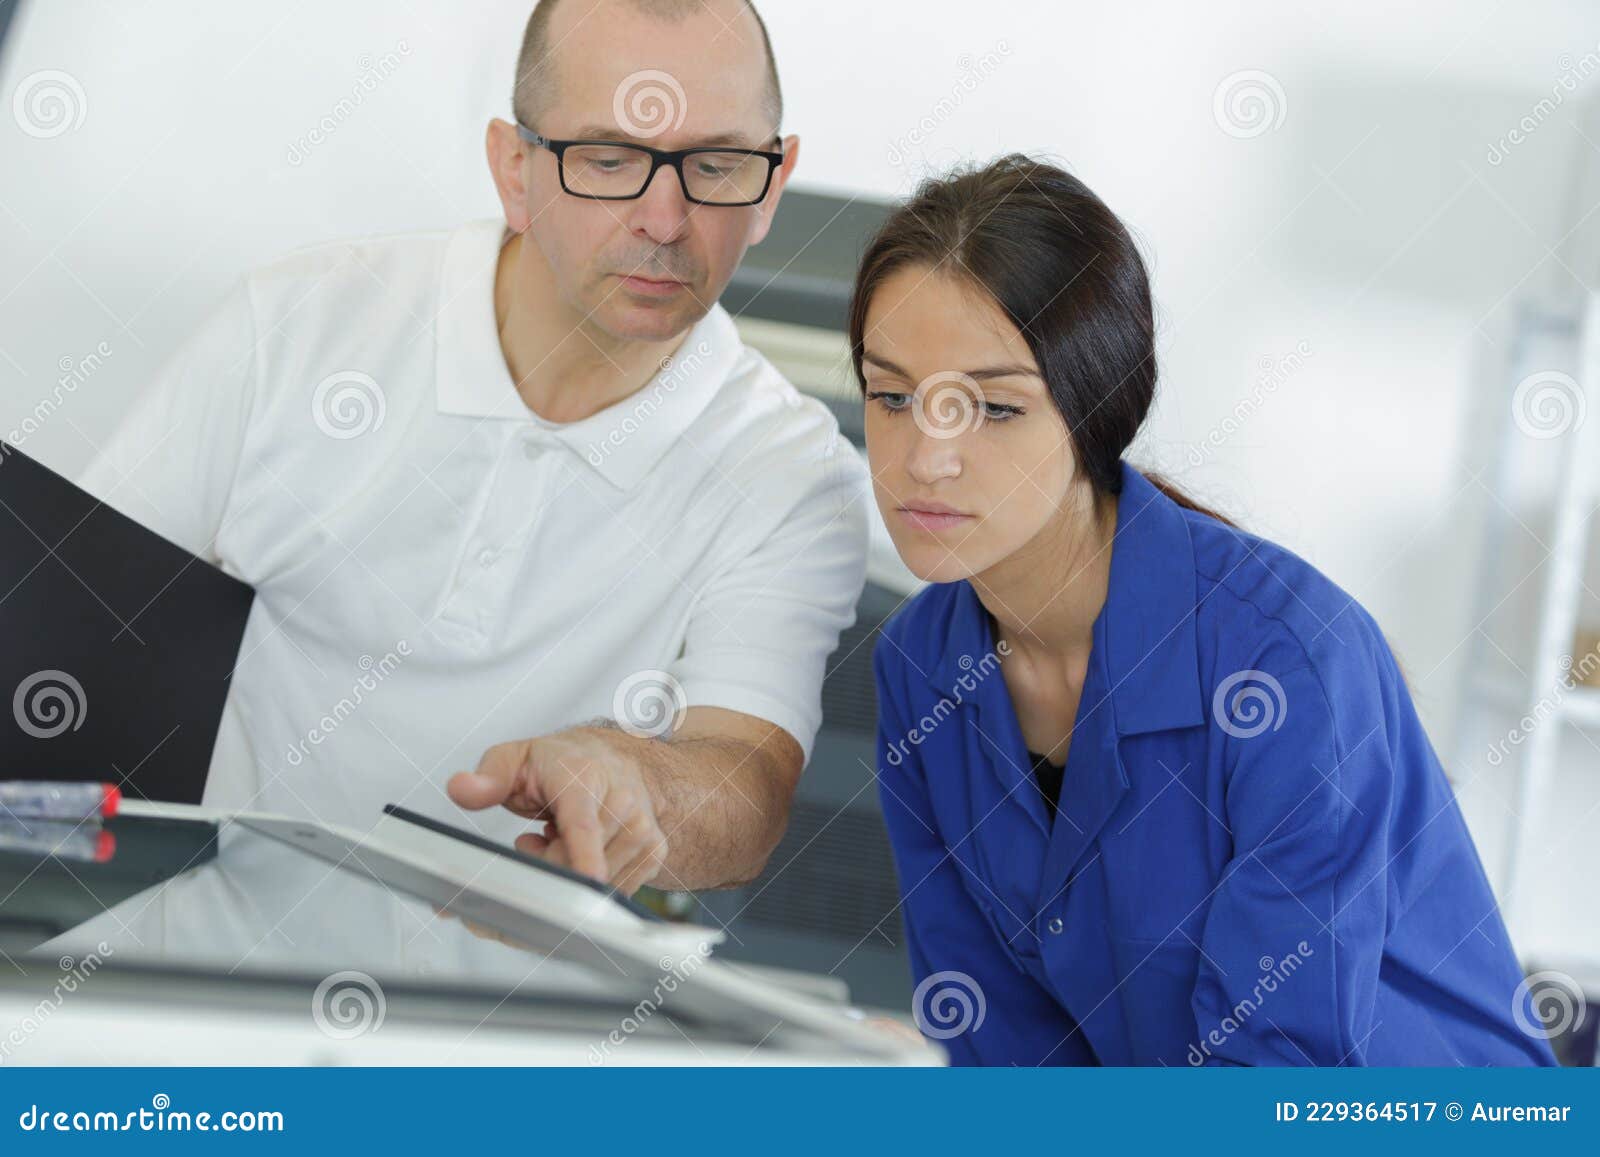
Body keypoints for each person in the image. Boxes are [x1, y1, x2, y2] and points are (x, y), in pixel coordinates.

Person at [79, 0, 867, 909]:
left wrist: (637, 782)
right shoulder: (293, 327)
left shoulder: (792, 475)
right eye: (607, 160)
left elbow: (745, 787)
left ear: (772, 185)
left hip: (527, 994)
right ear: (515, 170)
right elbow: (70, 628)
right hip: (191, 965)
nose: (664, 219)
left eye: (717, 166)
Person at [853, 154, 1557, 1066]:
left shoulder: (1290, 659)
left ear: (1095, 413)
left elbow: (1277, 1074)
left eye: (992, 408)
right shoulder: (920, 667)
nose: (924, 458)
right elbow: (999, 1049)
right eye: (892, 396)